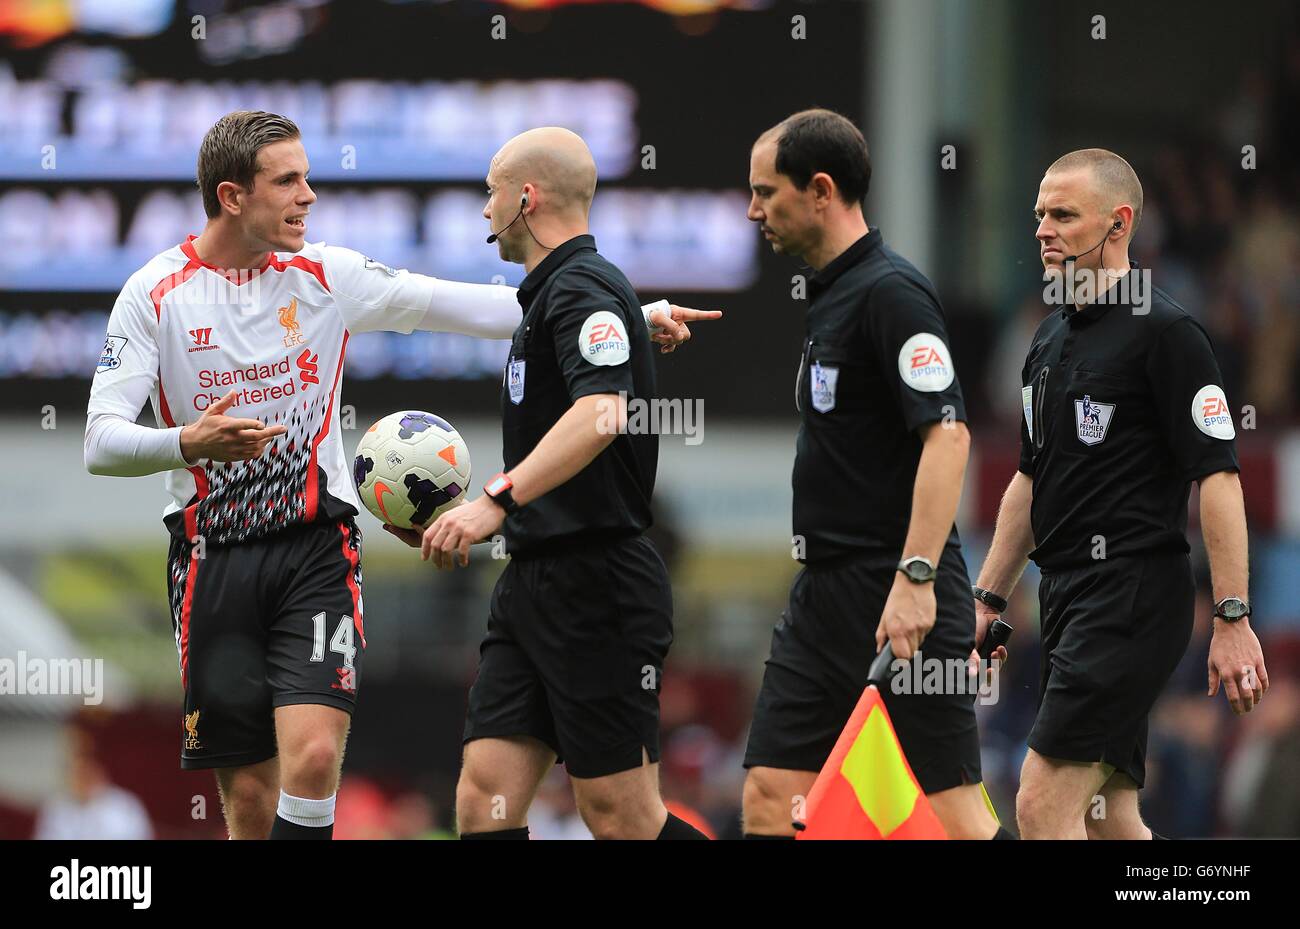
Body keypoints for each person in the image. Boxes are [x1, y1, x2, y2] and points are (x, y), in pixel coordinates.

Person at [84, 110, 716, 839]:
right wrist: (187, 442)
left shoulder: (327, 275)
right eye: (288, 180)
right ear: (232, 197)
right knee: (255, 802)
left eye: (308, 177)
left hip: (313, 549)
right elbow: (102, 442)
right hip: (209, 558)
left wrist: (631, 315)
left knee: (316, 757)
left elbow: (469, 305)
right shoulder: (153, 293)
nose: (309, 196)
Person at [400, 127, 715, 840]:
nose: (484, 211)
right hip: (533, 583)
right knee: (484, 804)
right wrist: (639, 320)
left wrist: (494, 499)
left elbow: (602, 412)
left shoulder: (581, 287)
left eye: (490, 193)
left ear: (525, 198)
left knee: (622, 816)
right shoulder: (560, 294)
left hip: (598, 584)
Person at [972, 148, 1269, 839]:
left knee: (1042, 803)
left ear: (1118, 223)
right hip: (1068, 596)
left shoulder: (1169, 333)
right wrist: (986, 599)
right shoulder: (1045, 339)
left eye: (1064, 215)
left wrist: (1231, 616)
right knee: (1111, 817)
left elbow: (1219, 476)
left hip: (1132, 594)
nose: (1043, 229)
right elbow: (1028, 478)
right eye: (1040, 214)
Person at [739, 109, 1004, 840]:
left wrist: (915, 578)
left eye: (767, 192)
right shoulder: (830, 292)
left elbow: (949, 436)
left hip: (900, 592)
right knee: (770, 795)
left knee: (953, 815)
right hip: (823, 596)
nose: (754, 209)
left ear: (820, 190)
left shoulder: (892, 293)